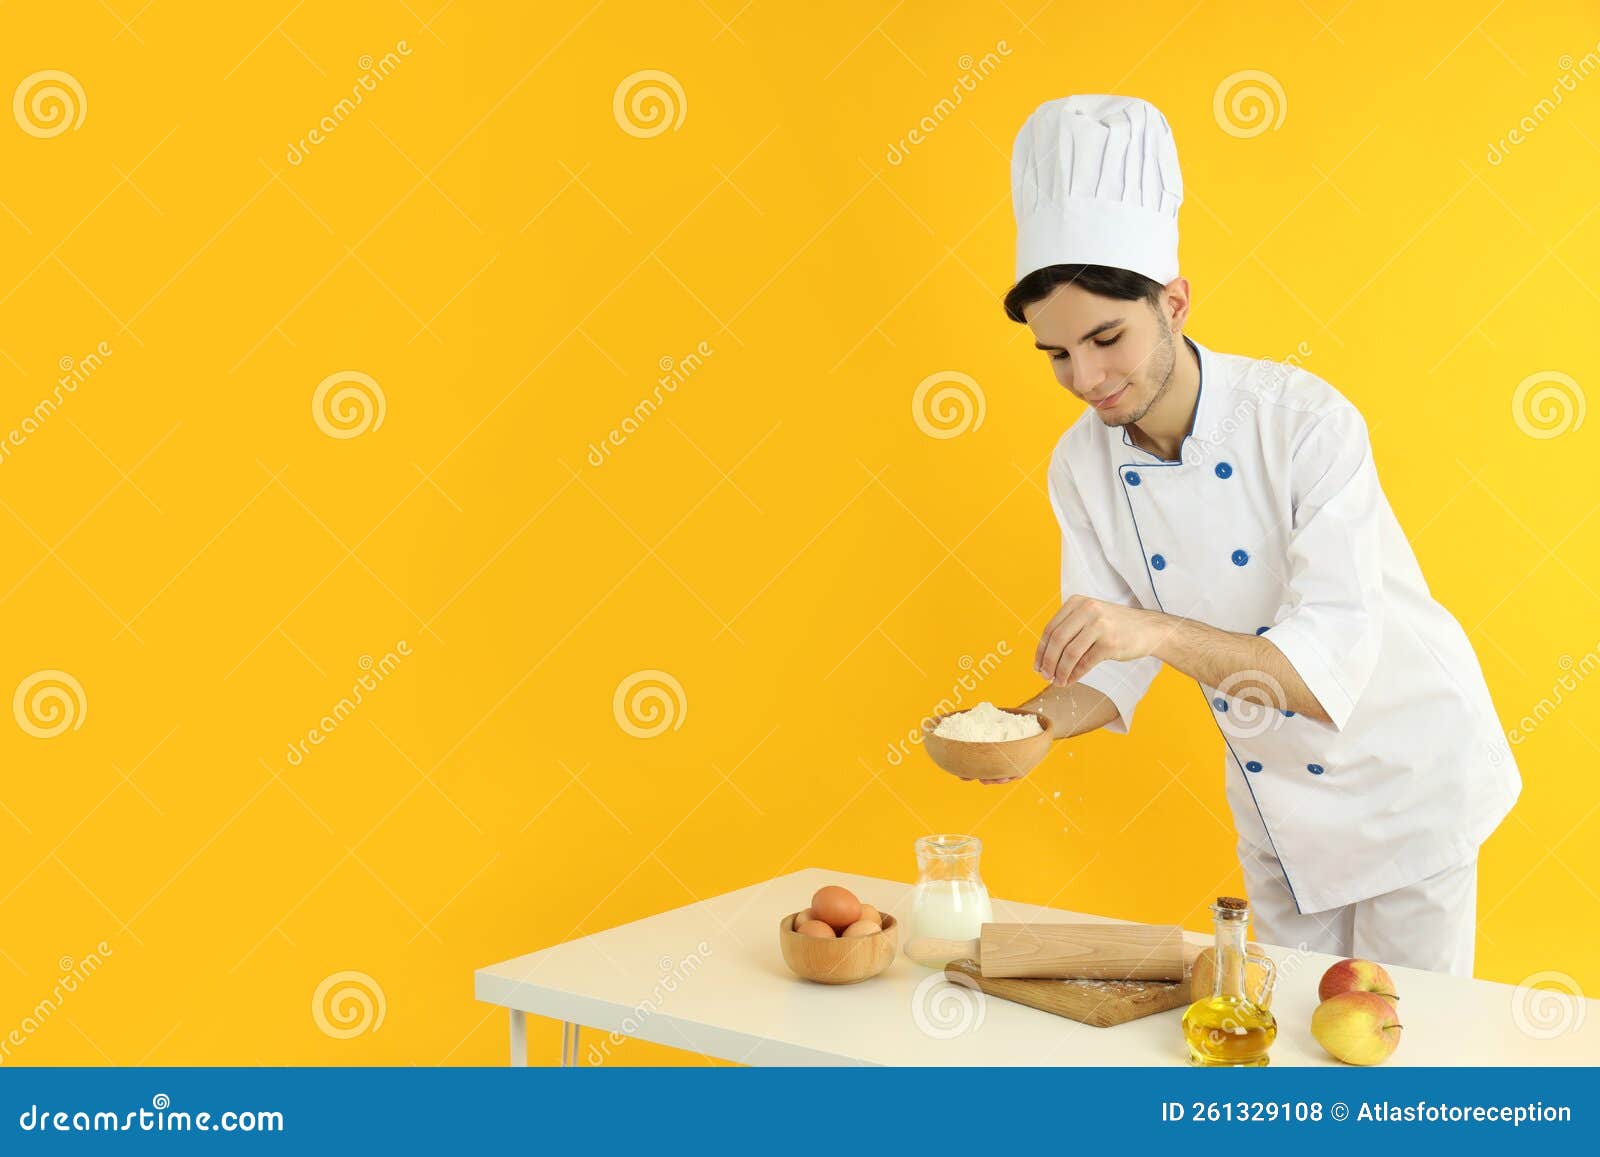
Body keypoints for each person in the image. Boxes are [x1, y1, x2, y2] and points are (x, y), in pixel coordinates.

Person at [967, 94, 1520, 976]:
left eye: (1106, 337)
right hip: (1278, 810)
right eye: (1057, 355)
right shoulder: (1081, 464)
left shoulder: (1304, 421)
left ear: (1175, 301)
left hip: (1406, 777)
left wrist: (1150, 627)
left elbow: (1315, 668)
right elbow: (1115, 668)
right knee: (1292, 1036)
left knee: (1400, 1046)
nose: (1086, 377)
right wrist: (1018, 727)